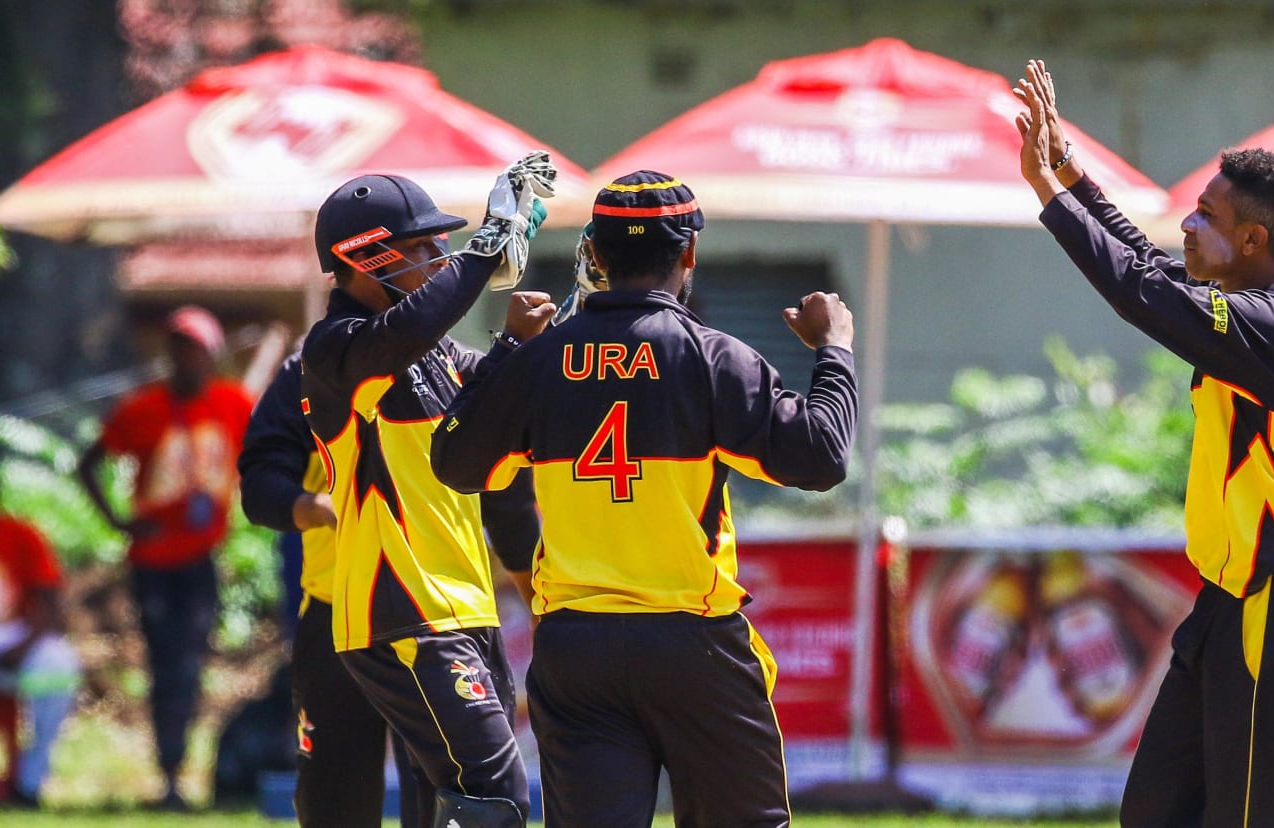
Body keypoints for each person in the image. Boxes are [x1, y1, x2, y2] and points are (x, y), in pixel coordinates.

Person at [430, 170, 858, 828]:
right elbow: (823, 456)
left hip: (576, 649)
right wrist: (834, 350)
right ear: (688, 255)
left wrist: (510, 348)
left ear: (594, 255)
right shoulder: (714, 358)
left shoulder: (542, 361)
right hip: (694, 644)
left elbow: (455, 462)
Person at [1014, 61, 1274, 825]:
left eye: (1205, 216)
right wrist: (1069, 169)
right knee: (1155, 812)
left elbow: (1138, 289)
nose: (1188, 226)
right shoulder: (1236, 307)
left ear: (1253, 239)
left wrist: (1046, 193)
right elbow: (1147, 264)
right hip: (1228, 605)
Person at [301, 157, 548, 828]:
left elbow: (493, 404)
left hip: (465, 609)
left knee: (446, 807)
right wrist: (487, 244)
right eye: (423, 246)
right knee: (494, 795)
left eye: (444, 244)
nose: (441, 257)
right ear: (367, 257)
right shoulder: (336, 350)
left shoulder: (434, 355)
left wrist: (576, 308)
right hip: (401, 609)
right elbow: (403, 335)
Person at [237, 349, 442, 827]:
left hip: (438, 611)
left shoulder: (445, 360)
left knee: (444, 794)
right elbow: (262, 482)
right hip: (339, 605)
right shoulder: (313, 368)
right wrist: (321, 506)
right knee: (334, 798)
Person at [75, 303, 253, 810]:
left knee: (190, 666)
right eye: (179, 348)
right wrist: (117, 521)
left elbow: (270, 452)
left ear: (211, 355)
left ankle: (183, 771)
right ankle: (168, 777)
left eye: (195, 349)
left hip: (202, 559)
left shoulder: (233, 404)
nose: (186, 358)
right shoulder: (143, 409)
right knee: (163, 664)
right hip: (152, 561)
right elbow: (89, 464)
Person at [0, 438, 79, 808]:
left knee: (60, 664)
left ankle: (29, 783)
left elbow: (51, 606)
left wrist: (21, 648)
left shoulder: (22, 535)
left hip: (15, 640)